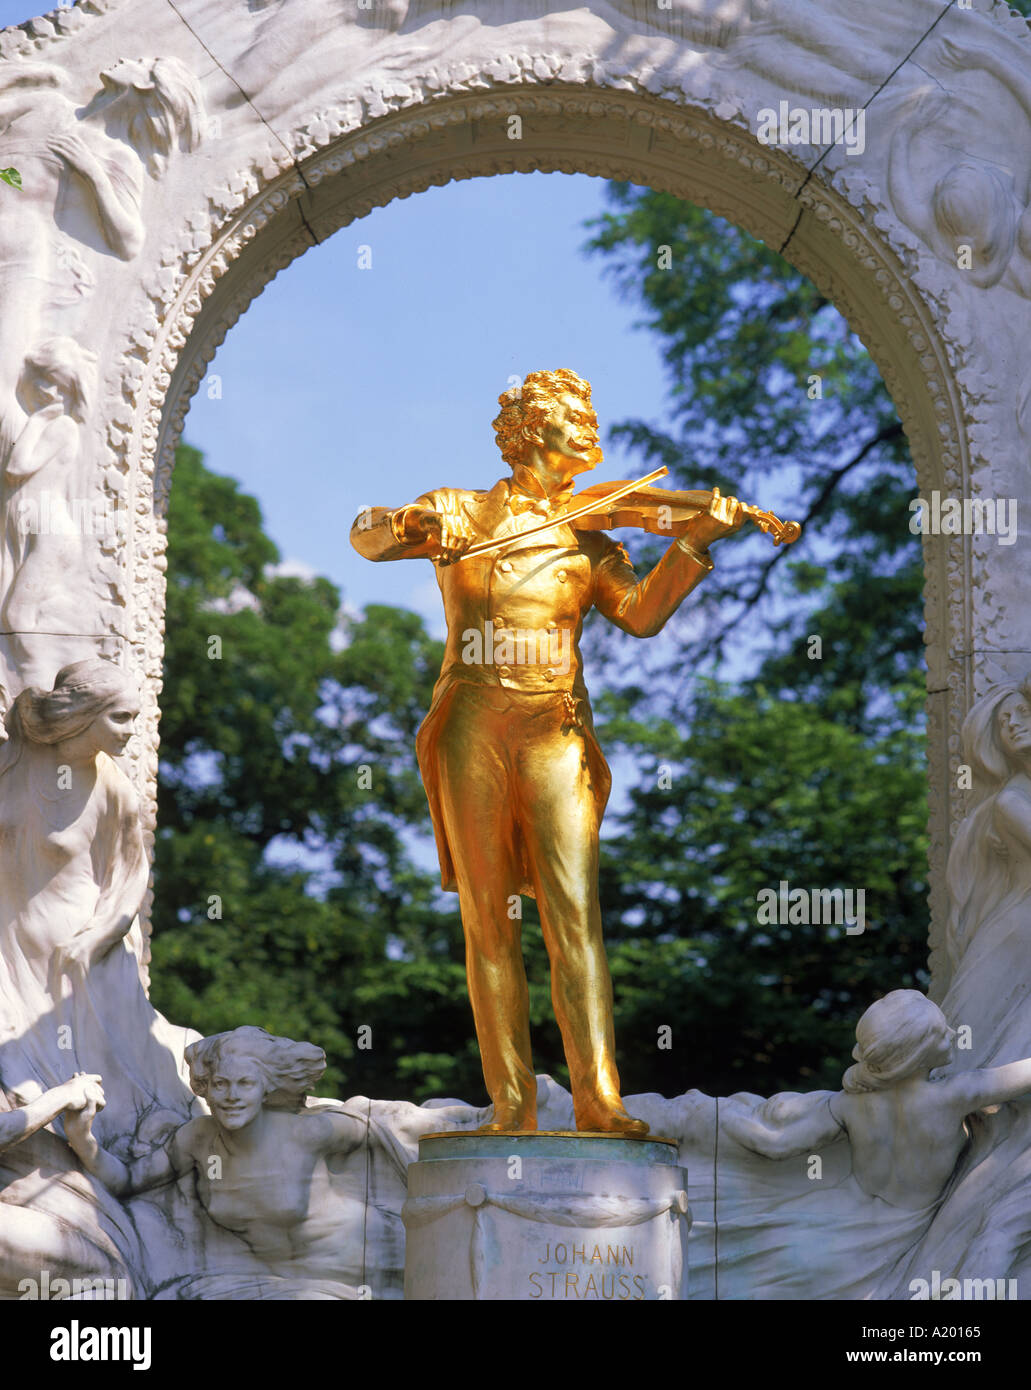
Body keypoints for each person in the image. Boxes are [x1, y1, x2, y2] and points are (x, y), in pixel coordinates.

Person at [351, 368, 743, 1134]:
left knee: (574, 914)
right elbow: (365, 538)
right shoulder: (461, 513)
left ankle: (598, 1098)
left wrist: (692, 543)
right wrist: (403, 524)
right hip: (472, 718)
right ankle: (511, 1105)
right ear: (531, 432)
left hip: (553, 728)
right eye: (576, 418)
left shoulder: (594, 540)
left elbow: (640, 618)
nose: (592, 431)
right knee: (486, 917)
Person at [64, 1026, 474, 1300]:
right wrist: (82, 1137)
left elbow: (396, 1130)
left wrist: (477, 1132)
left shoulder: (308, 1132)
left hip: (383, 1258)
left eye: (245, 1083)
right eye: (221, 1084)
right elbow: (130, 1179)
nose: (231, 1096)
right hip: (287, 1283)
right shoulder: (198, 1138)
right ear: (206, 1088)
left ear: (266, 1089)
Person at [0, 658, 198, 1149]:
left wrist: (99, 935)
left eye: (135, 717)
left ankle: (106, 1150)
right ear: (82, 713)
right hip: (11, 943)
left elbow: (131, 877)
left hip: (83, 952)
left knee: (119, 1076)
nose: (132, 730)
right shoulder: (13, 764)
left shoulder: (114, 789)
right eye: (121, 717)